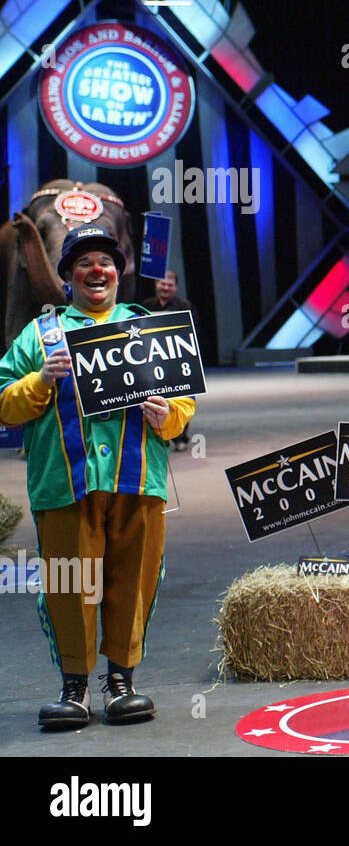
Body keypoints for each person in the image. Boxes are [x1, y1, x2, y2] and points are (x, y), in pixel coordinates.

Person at [0, 225, 195, 728]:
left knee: (134, 579)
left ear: (119, 272)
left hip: (138, 481)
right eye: (83, 262)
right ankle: (75, 688)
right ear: (67, 277)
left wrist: (167, 416)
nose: (96, 269)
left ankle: (122, 682)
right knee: (71, 585)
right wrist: (41, 380)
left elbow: (183, 406)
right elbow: (4, 404)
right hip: (64, 484)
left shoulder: (148, 326)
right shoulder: (39, 336)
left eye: (105, 261)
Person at [141, 271, 194, 450]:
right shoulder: (145, 305)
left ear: (176, 287)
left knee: (179, 397)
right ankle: (157, 433)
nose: (165, 288)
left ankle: (181, 437)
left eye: (169, 285)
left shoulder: (184, 305)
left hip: (177, 359)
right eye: (162, 284)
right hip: (152, 360)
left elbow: (193, 331)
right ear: (156, 284)